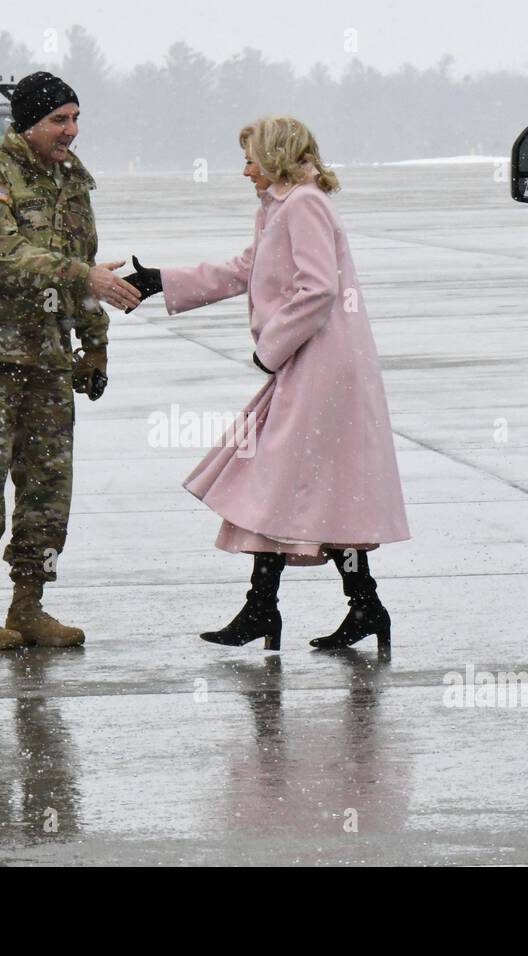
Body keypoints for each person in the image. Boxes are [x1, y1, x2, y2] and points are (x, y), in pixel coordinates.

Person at [124, 116, 409, 651]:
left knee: (275, 478)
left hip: (320, 364)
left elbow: (318, 288)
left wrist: (268, 349)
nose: (245, 169)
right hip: (313, 363)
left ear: (275, 156)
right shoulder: (283, 206)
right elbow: (243, 270)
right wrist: (159, 279)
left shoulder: (303, 205)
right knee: (312, 486)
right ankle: (357, 605)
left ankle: (267, 610)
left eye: (251, 158)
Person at [0, 71, 141, 650]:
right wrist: (84, 278)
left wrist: (93, 343)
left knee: (49, 485)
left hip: (47, 357)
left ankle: (29, 602)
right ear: (28, 123)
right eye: (59, 120)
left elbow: (85, 262)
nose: (70, 131)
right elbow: (2, 254)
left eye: (75, 119)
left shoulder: (71, 180)